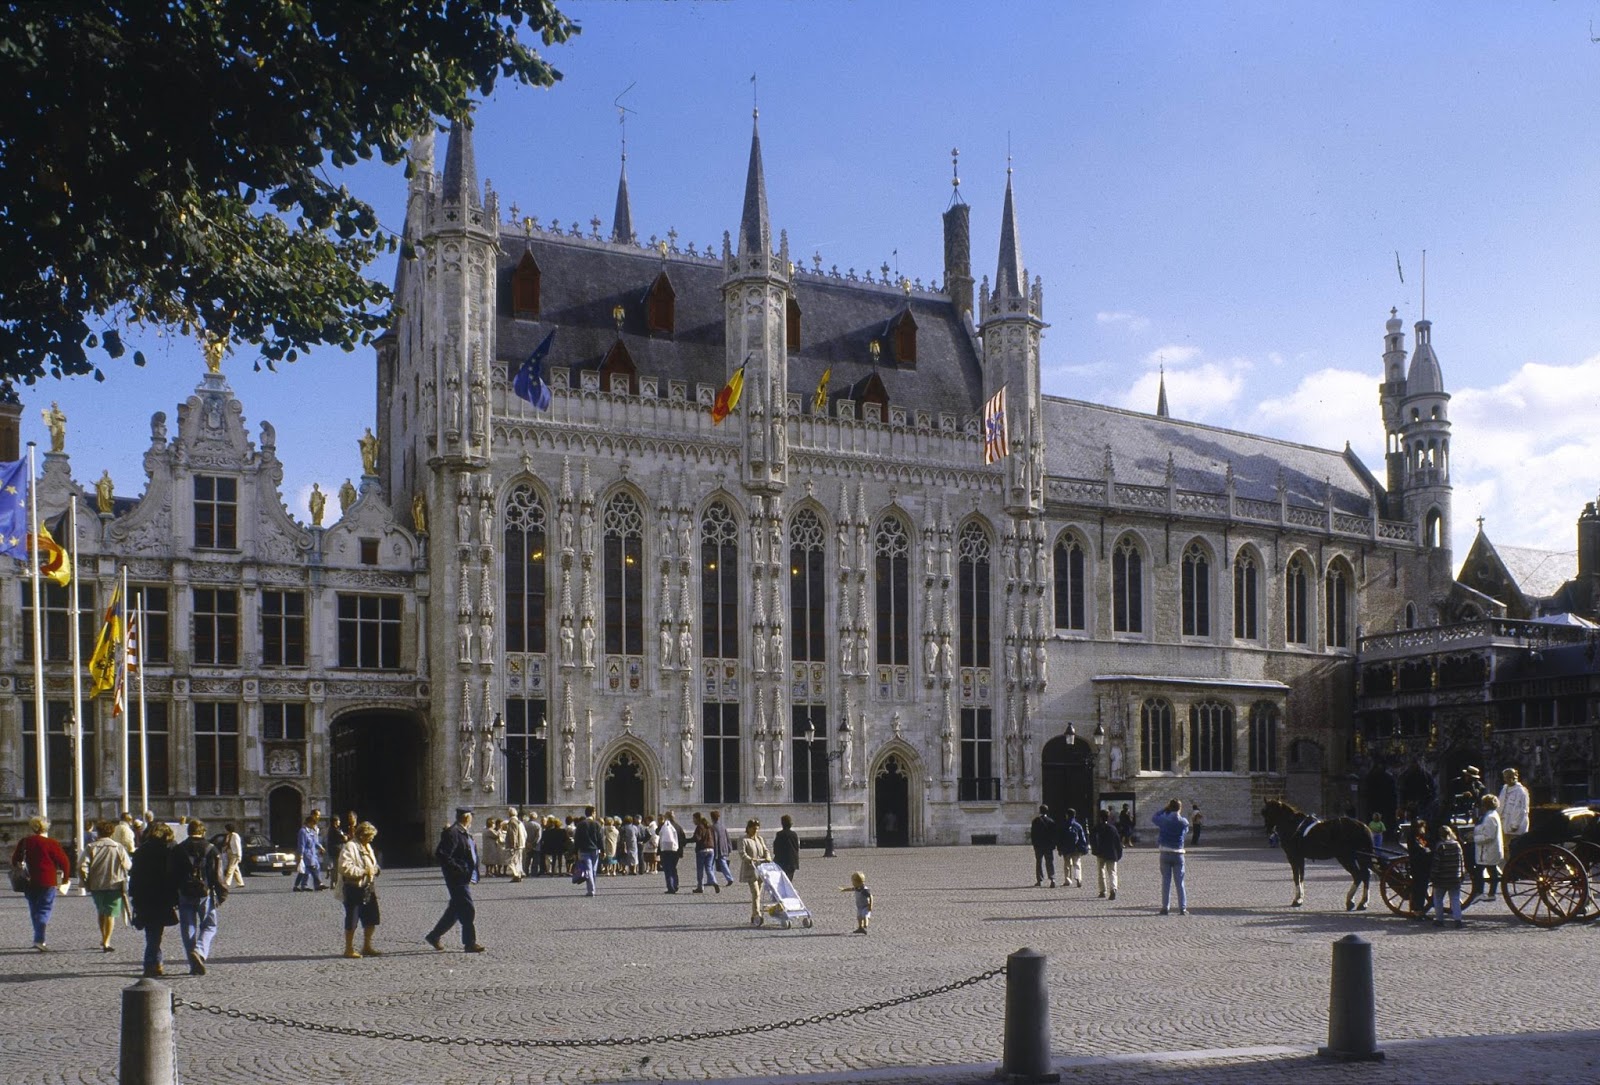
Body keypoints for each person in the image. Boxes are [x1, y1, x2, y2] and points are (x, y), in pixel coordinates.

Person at [170, 819, 226, 974]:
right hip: (204, 893)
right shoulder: (211, 849)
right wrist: (221, 894)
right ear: (203, 832)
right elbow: (217, 875)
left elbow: (172, 874)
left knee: (188, 928)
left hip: (184, 892)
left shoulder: (178, 849)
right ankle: (200, 951)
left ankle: (193, 963)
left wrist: (173, 895)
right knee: (209, 925)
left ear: (188, 831)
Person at [426, 808, 485, 952]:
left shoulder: (463, 832)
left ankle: (434, 936)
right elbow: (442, 854)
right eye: (471, 816)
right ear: (467, 817)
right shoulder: (452, 833)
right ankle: (470, 943)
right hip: (456, 878)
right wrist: (459, 868)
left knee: (454, 910)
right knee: (467, 908)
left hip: (464, 877)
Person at [12, 816, 72, 951]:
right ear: (46, 828)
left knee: (34, 909)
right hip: (48, 880)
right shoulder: (52, 843)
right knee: (44, 909)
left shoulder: (25, 842)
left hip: (29, 880)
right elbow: (65, 862)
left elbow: (15, 859)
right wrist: (65, 879)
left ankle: (38, 938)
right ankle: (39, 939)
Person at [128, 821, 179, 977]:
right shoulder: (170, 851)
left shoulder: (141, 851)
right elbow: (174, 875)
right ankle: (151, 963)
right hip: (162, 895)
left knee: (152, 932)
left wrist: (133, 895)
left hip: (144, 895)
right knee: (155, 932)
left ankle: (155, 962)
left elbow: (134, 876)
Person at [79, 819, 132, 951]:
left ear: (98, 832)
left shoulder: (91, 847)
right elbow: (128, 865)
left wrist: (86, 881)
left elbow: (81, 866)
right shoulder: (118, 847)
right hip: (114, 884)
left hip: (96, 885)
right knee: (110, 913)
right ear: (112, 833)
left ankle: (104, 937)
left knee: (102, 911)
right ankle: (107, 941)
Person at [337, 821, 383, 958]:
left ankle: (367, 946)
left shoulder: (367, 846)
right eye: (370, 836)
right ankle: (349, 949)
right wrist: (363, 872)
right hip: (353, 888)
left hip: (368, 888)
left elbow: (373, 864)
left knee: (372, 918)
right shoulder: (350, 847)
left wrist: (376, 869)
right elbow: (344, 867)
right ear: (362, 835)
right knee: (352, 918)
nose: (372, 839)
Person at [1152, 799, 1190, 916]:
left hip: (1165, 852)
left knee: (1166, 881)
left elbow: (1154, 817)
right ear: (1180, 808)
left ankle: (1165, 907)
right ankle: (1182, 908)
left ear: (1170, 807)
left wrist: (1164, 809)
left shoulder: (1164, 820)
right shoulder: (1184, 822)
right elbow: (1185, 831)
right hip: (1178, 853)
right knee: (1180, 882)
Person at [738, 819, 773, 925]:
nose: (755, 831)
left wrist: (767, 856)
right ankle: (757, 914)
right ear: (748, 828)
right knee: (756, 893)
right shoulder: (743, 839)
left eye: (757, 829)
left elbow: (765, 850)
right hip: (751, 870)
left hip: (761, 870)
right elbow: (742, 853)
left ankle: (754, 915)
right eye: (753, 829)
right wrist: (750, 859)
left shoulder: (759, 839)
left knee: (758, 894)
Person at [1431, 824, 1467, 928]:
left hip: (1441, 877)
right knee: (1455, 899)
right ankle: (1458, 920)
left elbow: (1436, 863)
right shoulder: (1457, 845)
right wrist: (1462, 873)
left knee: (1438, 899)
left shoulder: (1440, 846)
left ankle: (1439, 920)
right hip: (1454, 876)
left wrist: (1433, 875)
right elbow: (1461, 861)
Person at [1473, 794, 1506, 898]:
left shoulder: (1489, 818)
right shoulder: (1492, 815)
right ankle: (1491, 893)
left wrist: (1475, 838)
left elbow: (1489, 836)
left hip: (1487, 850)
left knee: (1480, 871)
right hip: (1490, 849)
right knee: (1491, 870)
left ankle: (1481, 892)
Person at [1090, 808, 1123, 900]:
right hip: (1112, 853)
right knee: (1112, 872)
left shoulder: (1096, 828)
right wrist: (1119, 853)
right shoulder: (1113, 828)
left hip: (1100, 853)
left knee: (1101, 872)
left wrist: (1095, 850)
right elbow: (1118, 842)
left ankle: (1102, 890)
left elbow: (1093, 840)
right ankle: (1113, 889)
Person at [573, 806, 603, 897]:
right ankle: (592, 889)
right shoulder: (597, 824)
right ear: (593, 813)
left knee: (589, 870)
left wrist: (575, 852)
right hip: (595, 850)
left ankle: (591, 890)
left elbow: (577, 839)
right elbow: (600, 839)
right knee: (593, 870)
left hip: (584, 850)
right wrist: (603, 850)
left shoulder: (580, 824)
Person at [1406, 816, 1433, 918]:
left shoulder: (1418, 837)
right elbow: (1421, 850)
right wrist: (1428, 850)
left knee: (1421, 889)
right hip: (1419, 866)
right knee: (1419, 889)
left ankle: (1419, 910)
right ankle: (1417, 911)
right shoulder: (1414, 838)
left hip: (1421, 865)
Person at [1058, 808, 1089, 888]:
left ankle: (1067, 880)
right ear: (1075, 815)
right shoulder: (1078, 826)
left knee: (1067, 864)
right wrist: (1084, 847)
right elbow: (1082, 838)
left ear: (1067, 815)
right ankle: (1078, 878)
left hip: (1066, 848)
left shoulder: (1064, 825)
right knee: (1077, 863)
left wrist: (1059, 848)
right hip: (1076, 848)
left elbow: (1060, 838)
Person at [294, 811, 325, 891]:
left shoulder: (310, 831)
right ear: (309, 823)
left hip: (312, 854)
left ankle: (298, 886)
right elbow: (301, 844)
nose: (313, 826)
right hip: (306, 855)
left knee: (304, 871)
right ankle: (318, 884)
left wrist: (320, 847)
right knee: (311, 869)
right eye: (313, 824)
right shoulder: (303, 831)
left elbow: (314, 841)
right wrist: (300, 855)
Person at [1030, 805, 1057, 887]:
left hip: (1039, 845)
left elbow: (1033, 834)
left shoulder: (1035, 821)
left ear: (1040, 811)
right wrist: (1053, 844)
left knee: (1039, 862)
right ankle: (1052, 878)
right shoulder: (1051, 821)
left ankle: (1039, 880)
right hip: (1048, 845)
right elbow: (1054, 835)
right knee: (1050, 862)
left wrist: (1034, 844)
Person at [1498, 768, 1530, 837]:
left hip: (1516, 828)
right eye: (1505, 777)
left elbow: (1523, 810)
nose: (1506, 780)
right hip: (1505, 825)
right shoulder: (1504, 789)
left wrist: (1515, 825)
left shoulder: (1521, 791)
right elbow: (1500, 805)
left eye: (1508, 777)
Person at [692, 813, 718, 893]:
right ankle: (714, 881)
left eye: (694, 819)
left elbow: (697, 838)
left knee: (700, 869)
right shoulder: (709, 827)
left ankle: (700, 887)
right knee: (709, 868)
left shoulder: (699, 827)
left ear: (697, 819)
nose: (693, 821)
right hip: (711, 849)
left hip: (702, 849)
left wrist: (686, 840)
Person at [658, 811, 683, 893]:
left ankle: (670, 887)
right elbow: (683, 840)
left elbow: (657, 832)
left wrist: (661, 823)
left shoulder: (664, 826)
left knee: (667, 869)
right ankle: (676, 885)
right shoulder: (678, 827)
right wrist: (680, 851)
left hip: (665, 851)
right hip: (675, 851)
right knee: (673, 868)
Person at [710, 810, 736, 887]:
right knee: (722, 862)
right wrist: (729, 847)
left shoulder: (712, 827)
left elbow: (714, 839)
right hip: (723, 847)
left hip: (716, 848)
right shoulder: (723, 826)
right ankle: (728, 878)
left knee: (711, 864)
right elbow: (727, 837)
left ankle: (713, 879)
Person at [772, 814, 801, 881]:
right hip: (792, 862)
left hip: (782, 862)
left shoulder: (780, 834)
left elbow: (776, 848)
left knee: (782, 881)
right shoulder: (794, 834)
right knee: (789, 880)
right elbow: (797, 847)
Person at [503, 807, 527, 883]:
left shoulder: (512, 822)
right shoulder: (519, 822)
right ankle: (519, 874)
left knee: (510, 861)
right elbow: (525, 834)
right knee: (518, 861)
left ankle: (516, 874)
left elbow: (513, 834)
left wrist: (513, 845)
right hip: (521, 844)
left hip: (515, 845)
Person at [222, 822, 245, 887]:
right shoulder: (228, 836)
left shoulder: (235, 835)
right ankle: (240, 883)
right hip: (229, 853)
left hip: (234, 854)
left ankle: (227, 883)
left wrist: (239, 856)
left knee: (230, 869)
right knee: (236, 869)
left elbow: (238, 846)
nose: (224, 830)